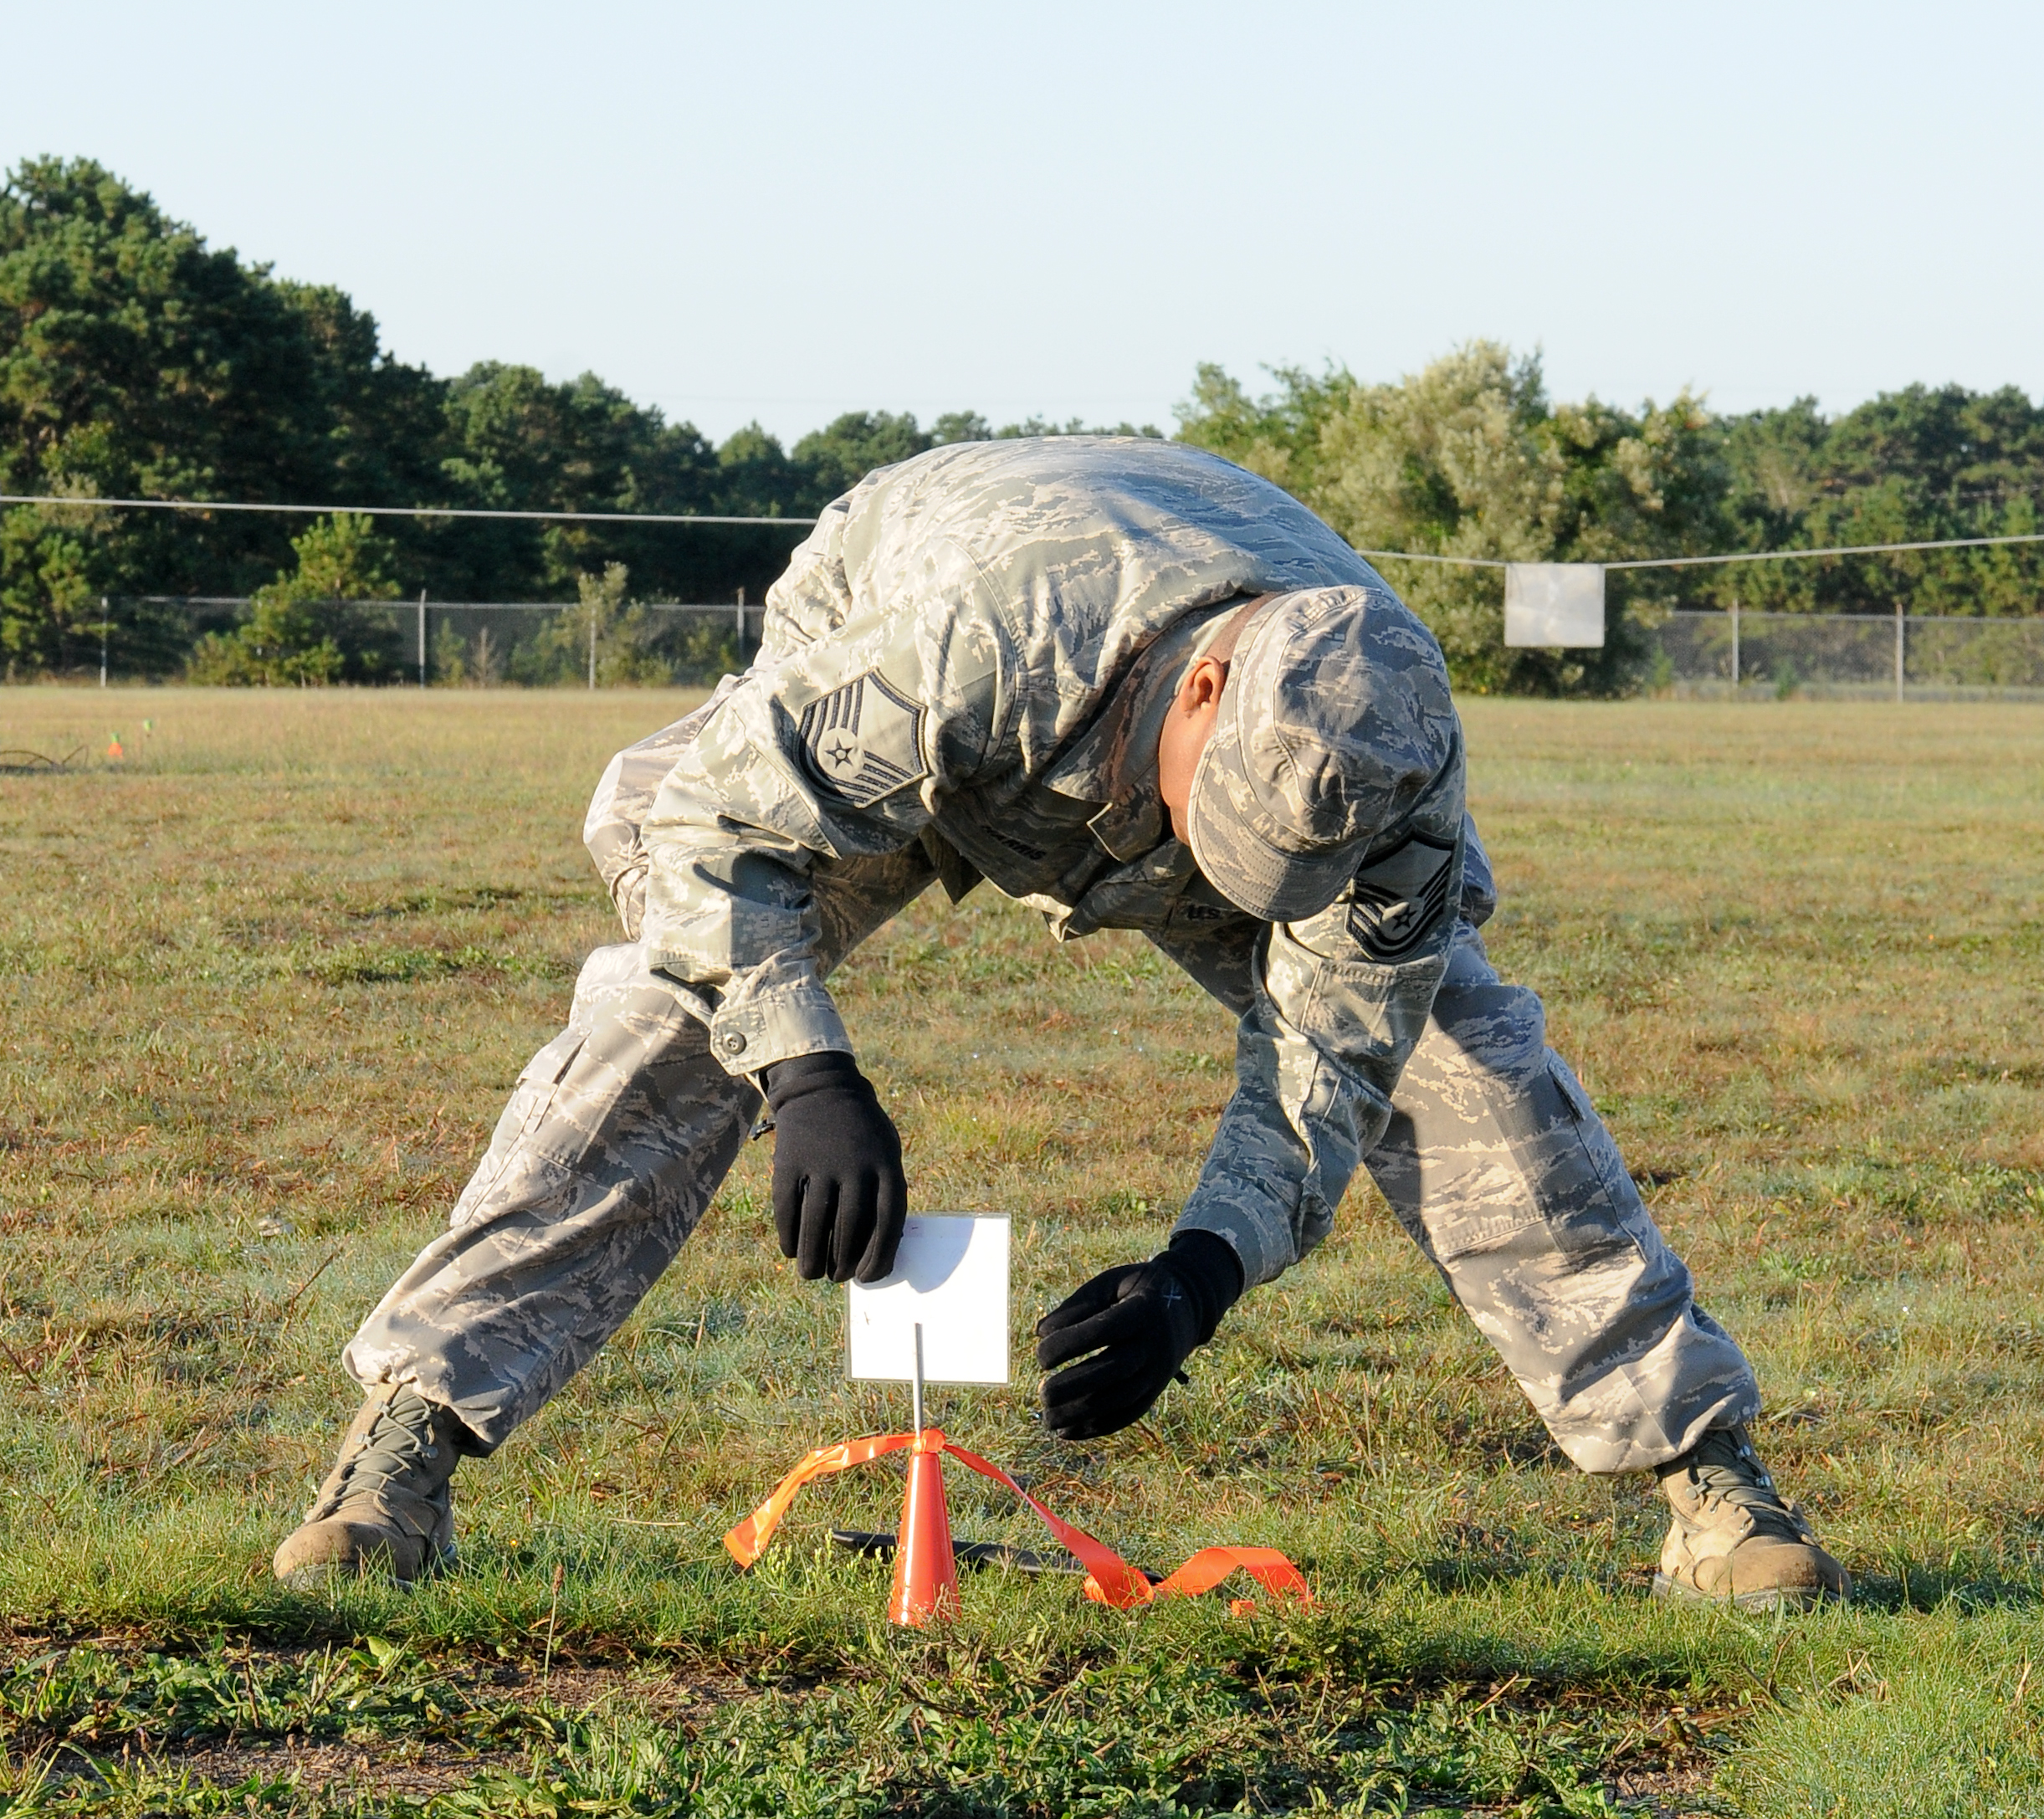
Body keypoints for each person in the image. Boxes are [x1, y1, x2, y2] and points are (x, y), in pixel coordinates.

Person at [274, 437, 1849, 1612]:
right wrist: (804, 1068)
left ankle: (1713, 1488)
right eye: (1230, 844)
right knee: (671, 1008)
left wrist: (1204, 1271)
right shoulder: (966, 647)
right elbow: (706, 830)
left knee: (1466, 1065)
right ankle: (402, 1448)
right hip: (940, 637)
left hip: (1151, 677)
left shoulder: (1394, 776)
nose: (1234, 892)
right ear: (1203, 695)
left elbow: (1338, 1060)